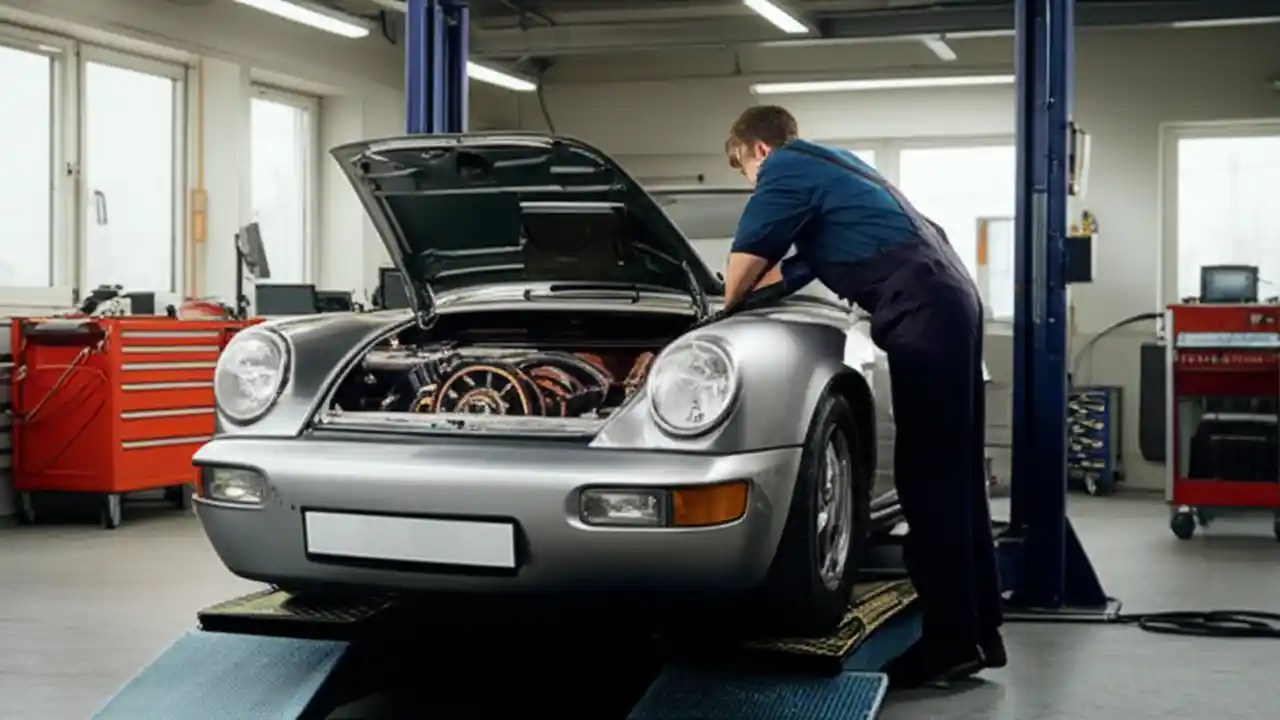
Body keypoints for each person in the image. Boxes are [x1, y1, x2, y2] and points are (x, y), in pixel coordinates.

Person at [720, 105, 1005, 686]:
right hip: (950, 300)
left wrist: (718, 308)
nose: (755, 186)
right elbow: (791, 271)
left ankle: (949, 644)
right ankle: (981, 633)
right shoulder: (838, 168)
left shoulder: (787, 170)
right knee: (954, 474)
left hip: (924, 309)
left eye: (747, 175)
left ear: (759, 152)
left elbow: (739, 277)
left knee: (927, 477)